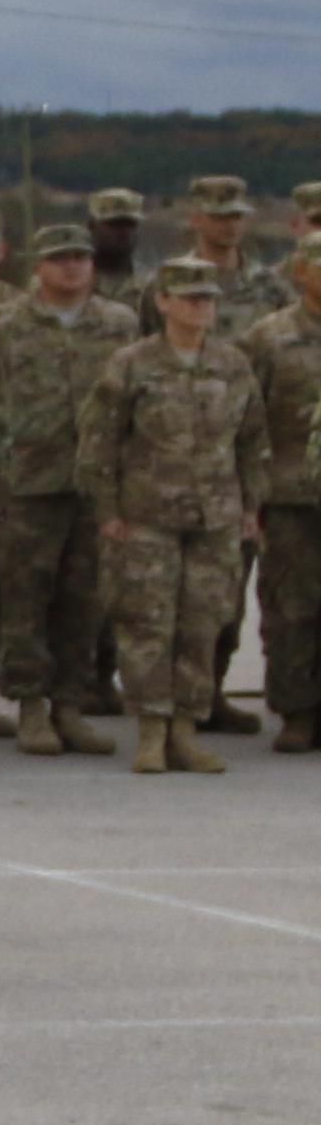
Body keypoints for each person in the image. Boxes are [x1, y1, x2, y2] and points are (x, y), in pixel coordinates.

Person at [81, 262, 256, 783]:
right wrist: (108, 511)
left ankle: (186, 729)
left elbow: (253, 443)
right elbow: (99, 443)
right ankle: (152, 731)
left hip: (215, 516)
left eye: (207, 298)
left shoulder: (233, 365)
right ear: (163, 302)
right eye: (188, 297)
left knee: (203, 624)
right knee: (146, 624)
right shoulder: (131, 365)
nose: (199, 307)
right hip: (147, 515)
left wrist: (250, 508)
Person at [0, 225, 131, 752]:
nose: (72, 267)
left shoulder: (117, 323)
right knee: (25, 596)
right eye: (60, 258)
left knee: (85, 599)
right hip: (27, 481)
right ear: (37, 266)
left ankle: (72, 703)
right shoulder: (4, 324)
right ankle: (30, 706)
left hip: (94, 482)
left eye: (80, 258)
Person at [247, 233, 321, 758]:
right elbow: (248, 421)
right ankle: (296, 712)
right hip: (292, 493)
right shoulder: (270, 338)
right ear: (299, 271)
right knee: (291, 607)